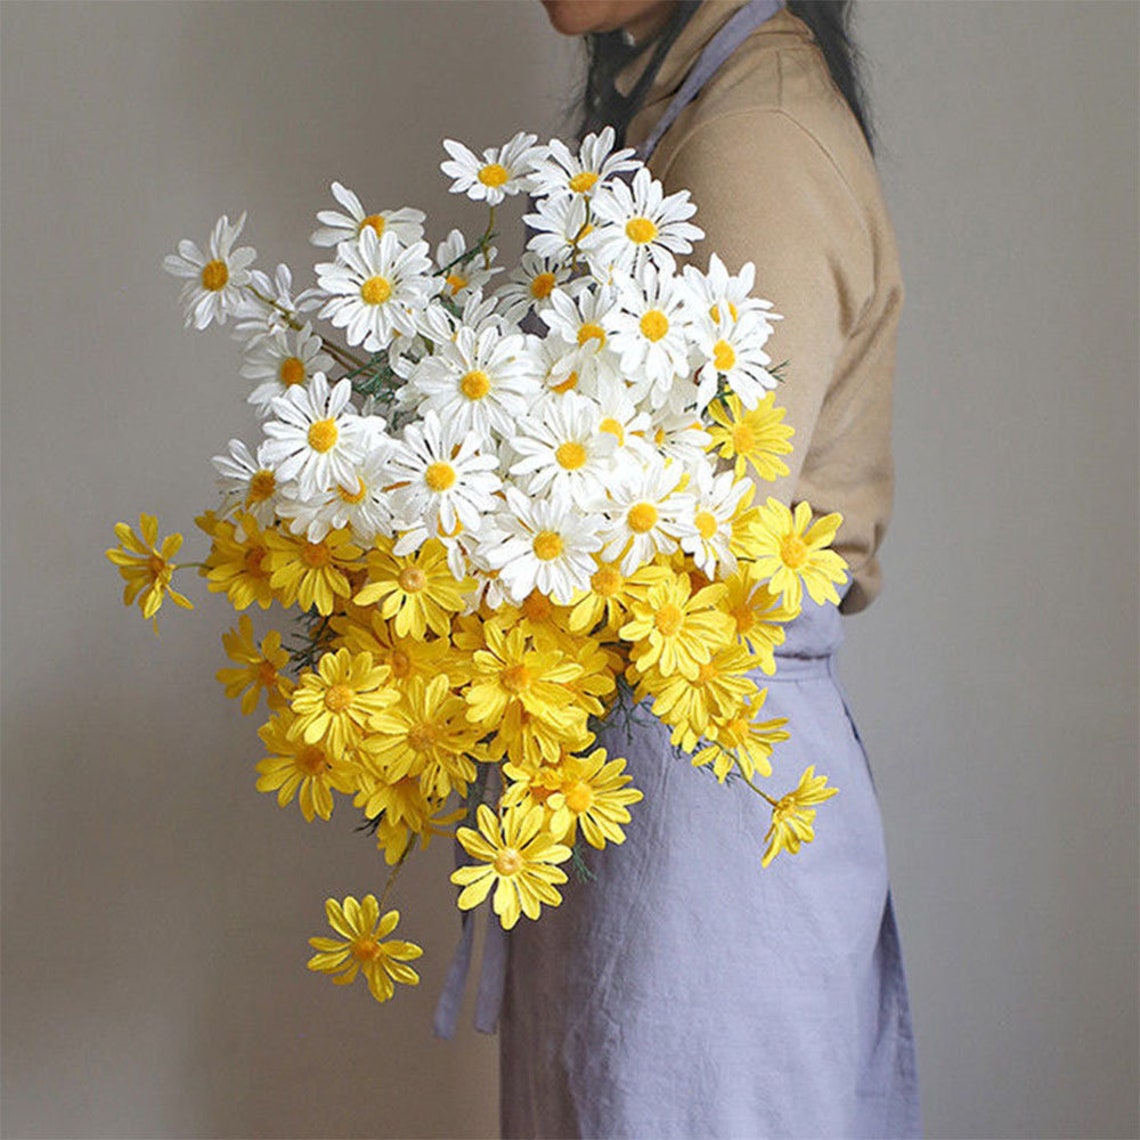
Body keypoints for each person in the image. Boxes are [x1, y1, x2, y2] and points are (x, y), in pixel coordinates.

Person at [498, 2, 921, 1135]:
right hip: (655, 774)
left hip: (703, 796)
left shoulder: (755, 139)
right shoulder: (682, 108)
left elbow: (692, 556)